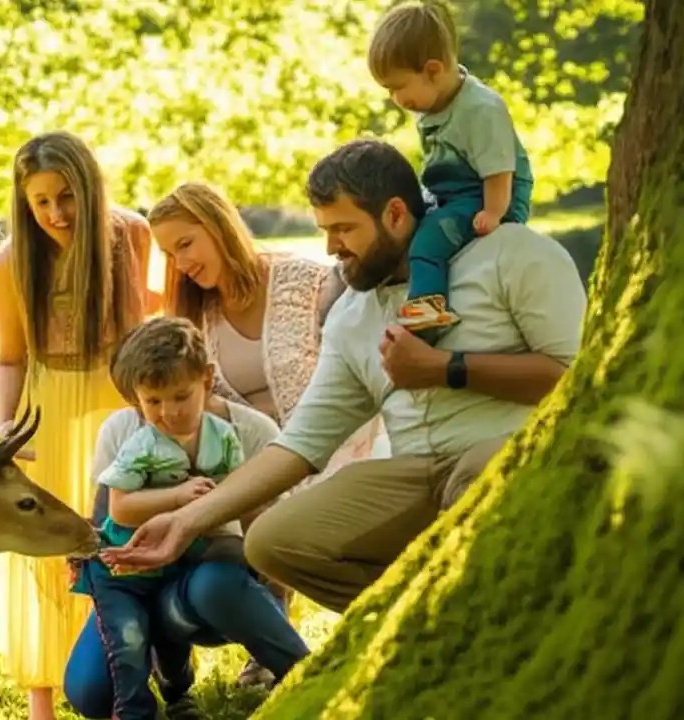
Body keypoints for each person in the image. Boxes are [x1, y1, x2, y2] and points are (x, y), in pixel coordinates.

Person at [102, 138, 586, 615]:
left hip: (507, 446)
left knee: (481, 475)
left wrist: (446, 369)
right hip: (415, 470)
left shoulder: (509, 256)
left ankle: (492, 614)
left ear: (396, 214)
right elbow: (300, 444)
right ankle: (426, 622)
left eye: (344, 229)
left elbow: (578, 377)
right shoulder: (353, 316)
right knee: (272, 542)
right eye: (324, 229)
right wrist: (186, 520)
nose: (331, 247)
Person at [147, 180, 382, 685]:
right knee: (244, 495)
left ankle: (376, 633)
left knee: (284, 505)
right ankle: (270, 642)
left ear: (218, 226)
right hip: (258, 457)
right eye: (169, 253)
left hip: (336, 443)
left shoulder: (302, 281)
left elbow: (361, 356)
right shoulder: (196, 315)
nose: (180, 262)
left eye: (185, 243)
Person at [0, 131, 155, 720]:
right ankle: (41, 699)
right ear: (24, 204)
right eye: (41, 202)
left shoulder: (129, 235)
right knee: (42, 543)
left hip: (116, 402)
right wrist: (3, 422)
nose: (55, 214)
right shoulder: (13, 261)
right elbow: (11, 357)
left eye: (66, 197)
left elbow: (140, 330)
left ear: (88, 189)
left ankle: (119, 674)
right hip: (49, 412)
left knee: (110, 535)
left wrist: (146, 414)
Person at [63, 332, 309, 719]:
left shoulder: (249, 432)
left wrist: (272, 610)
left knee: (215, 583)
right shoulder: (125, 430)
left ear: (206, 380)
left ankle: (304, 673)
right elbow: (110, 515)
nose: (169, 412)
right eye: (151, 401)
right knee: (91, 693)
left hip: (211, 588)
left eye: (181, 396)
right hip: (139, 581)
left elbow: (270, 534)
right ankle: (169, 688)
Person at [369, 0, 534, 338]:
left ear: (433, 70)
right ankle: (392, 298)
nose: (395, 99)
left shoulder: (481, 110)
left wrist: (493, 213)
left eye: (397, 87)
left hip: (489, 197)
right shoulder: (433, 103)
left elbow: (499, 171)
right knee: (407, 223)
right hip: (453, 193)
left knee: (430, 240)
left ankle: (428, 313)